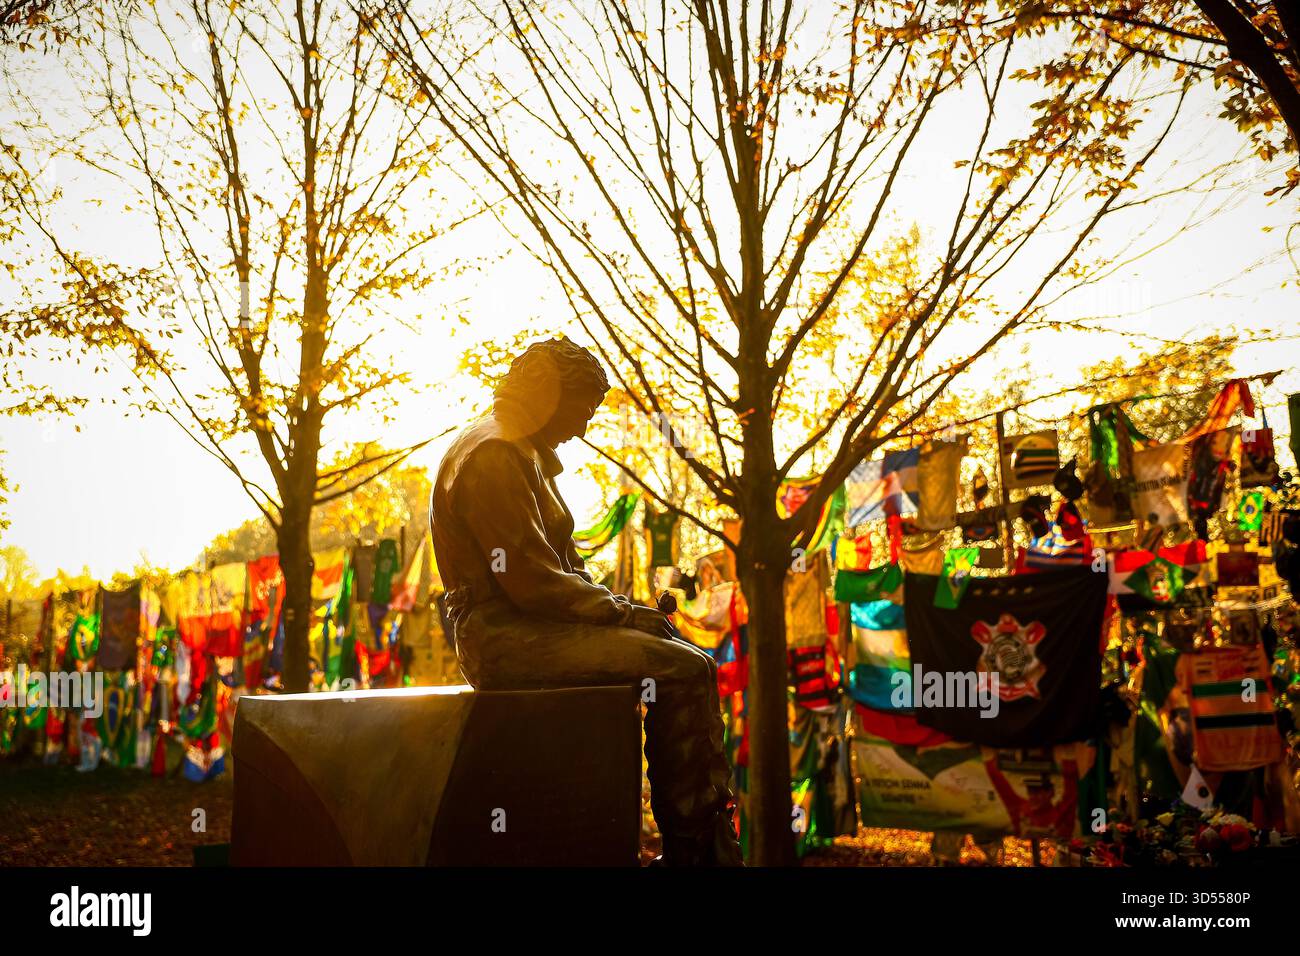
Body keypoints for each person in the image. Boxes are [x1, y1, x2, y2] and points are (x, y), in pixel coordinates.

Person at [430, 337, 742, 865]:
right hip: (503, 636)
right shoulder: (494, 453)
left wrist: (628, 613)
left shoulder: (522, 453)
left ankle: (698, 843)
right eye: (581, 411)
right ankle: (697, 853)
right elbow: (531, 580)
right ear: (548, 395)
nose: (581, 428)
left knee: (675, 653)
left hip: (527, 626)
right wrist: (622, 613)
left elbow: (564, 573)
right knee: (685, 668)